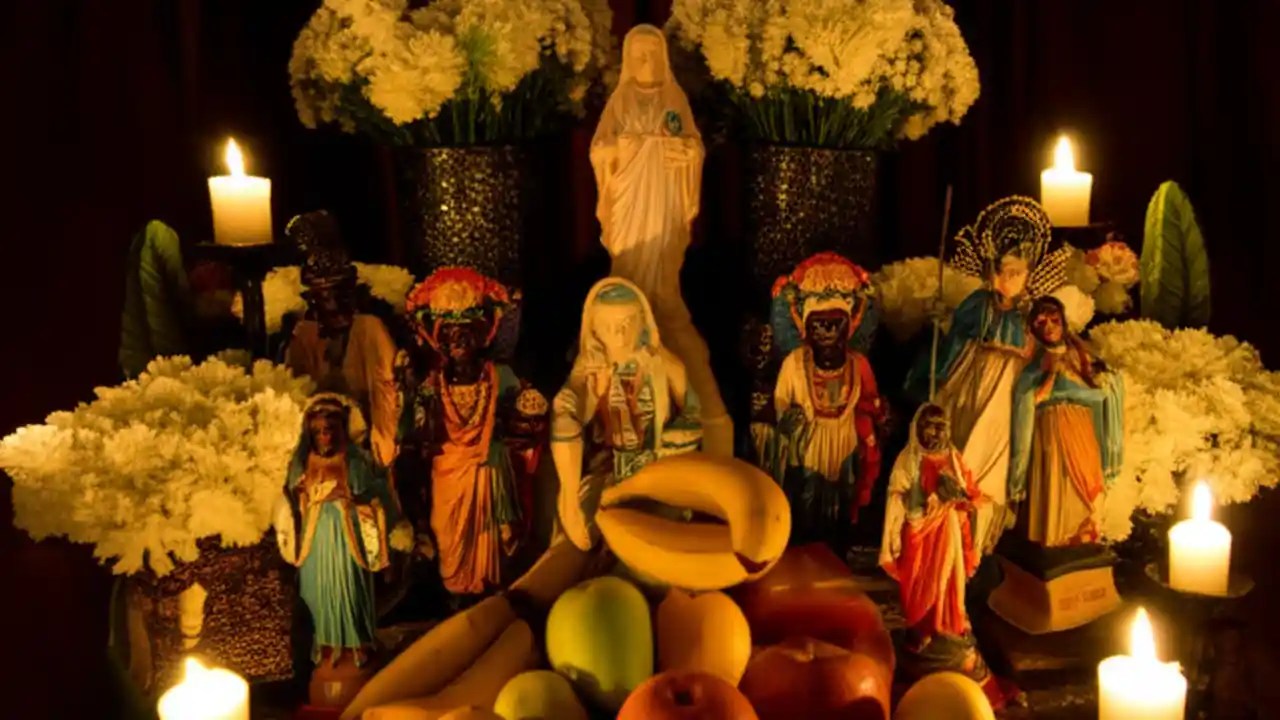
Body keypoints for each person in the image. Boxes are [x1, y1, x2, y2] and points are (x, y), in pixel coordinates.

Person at [590, 24, 732, 455]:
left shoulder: (674, 100)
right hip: (630, 201)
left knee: (665, 286)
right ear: (629, 60)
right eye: (639, 56)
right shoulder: (620, 100)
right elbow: (599, 150)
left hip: (664, 202)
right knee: (631, 270)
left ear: (663, 59)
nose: (646, 63)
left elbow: (694, 148)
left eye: (653, 55)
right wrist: (622, 148)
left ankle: (663, 320)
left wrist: (683, 153)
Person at [906, 196, 1068, 554]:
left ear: (1028, 274)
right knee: (953, 445)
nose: (1005, 279)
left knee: (986, 457)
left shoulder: (1031, 313)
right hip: (966, 378)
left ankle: (974, 545)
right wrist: (941, 323)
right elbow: (954, 338)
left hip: (1005, 390)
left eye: (1014, 273)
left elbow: (1047, 345)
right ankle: (937, 534)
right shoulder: (978, 303)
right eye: (999, 270)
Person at [400, 268, 547, 597]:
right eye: (450, 334)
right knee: (446, 538)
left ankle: (489, 598)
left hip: (489, 475)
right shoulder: (432, 384)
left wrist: (524, 428)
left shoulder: (501, 375)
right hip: (448, 473)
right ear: (440, 340)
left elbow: (529, 421)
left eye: (466, 333)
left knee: (491, 539)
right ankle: (455, 598)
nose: (458, 342)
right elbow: (414, 431)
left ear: (482, 336)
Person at [553, 277, 701, 550]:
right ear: (594, 329)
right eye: (609, 327)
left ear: (643, 323)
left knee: (663, 531)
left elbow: (692, 411)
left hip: (659, 469)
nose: (619, 335)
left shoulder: (665, 364)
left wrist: (672, 442)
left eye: (626, 325)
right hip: (608, 470)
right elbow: (568, 411)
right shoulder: (588, 368)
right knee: (587, 534)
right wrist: (592, 395)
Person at [275, 394, 411, 668]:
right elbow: (291, 500)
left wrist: (348, 500)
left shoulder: (355, 463)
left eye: (329, 430)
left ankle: (355, 646)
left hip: (347, 540)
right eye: (318, 432)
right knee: (319, 594)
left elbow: (377, 497)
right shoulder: (302, 465)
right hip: (316, 543)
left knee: (348, 591)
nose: (324, 437)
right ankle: (326, 647)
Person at [759, 252, 886, 542]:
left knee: (844, 502)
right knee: (806, 500)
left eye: (835, 323)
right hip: (809, 448)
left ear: (850, 326)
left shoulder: (859, 364)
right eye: (819, 323)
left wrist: (878, 417)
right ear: (805, 329)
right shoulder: (794, 363)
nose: (827, 331)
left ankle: (839, 549)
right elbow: (780, 408)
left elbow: (871, 403)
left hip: (846, 446)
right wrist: (786, 423)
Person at [283, 211, 400, 470]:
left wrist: (380, 463)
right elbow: (297, 391)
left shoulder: (369, 330)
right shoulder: (305, 333)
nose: (331, 306)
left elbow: (387, 398)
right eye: (321, 298)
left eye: (336, 295)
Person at [1009, 296, 1124, 547]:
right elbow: (1029, 399)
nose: (1049, 327)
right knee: (1058, 482)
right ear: (1033, 329)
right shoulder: (1034, 363)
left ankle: (1084, 535)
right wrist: (1050, 373)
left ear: (1063, 323)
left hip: (1082, 426)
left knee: (1087, 483)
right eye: (1041, 323)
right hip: (1051, 428)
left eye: (1054, 321)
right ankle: (1056, 538)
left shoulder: (1080, 355)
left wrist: (1103, 382)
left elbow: (1099, 387)